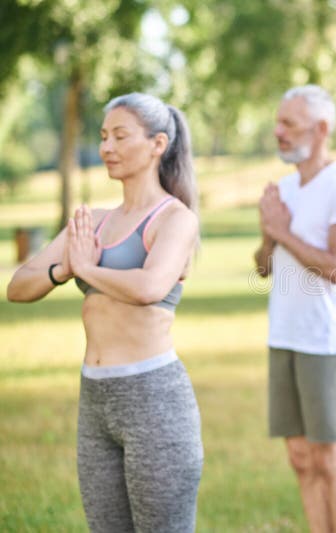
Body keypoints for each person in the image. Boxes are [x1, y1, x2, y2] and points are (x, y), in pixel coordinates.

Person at [6, 93, 203, 531]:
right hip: (95, 399)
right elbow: (18, 287)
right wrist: (63, 269)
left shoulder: (175, 220)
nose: (107, 147)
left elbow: (150, 287)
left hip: (154, 399)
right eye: (102, 137)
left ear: (157, 144)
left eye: (120, 136)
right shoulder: (90, 221)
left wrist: (88, 266)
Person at [253, 85, 336, 533]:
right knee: (300, 457)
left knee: (329, 454)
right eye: (278, 122)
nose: (277, 131)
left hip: (324, 339)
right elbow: (264, 267)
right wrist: (269, 234)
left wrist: (282, 231)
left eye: (289, 124)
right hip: (282, 335)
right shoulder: (282, 188)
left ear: (321, 129)